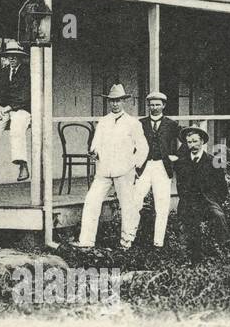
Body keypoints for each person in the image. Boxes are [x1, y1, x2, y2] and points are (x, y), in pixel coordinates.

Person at [76, 84, 149, 248]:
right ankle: (86, 241)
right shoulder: (103, 121)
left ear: (124, 102)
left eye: (118, 101)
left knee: (127, 206)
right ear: (109, 102)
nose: (115, 104)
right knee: (91, 201)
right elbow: (96, 143)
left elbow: (143, 148)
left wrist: (135, 167)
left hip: (124, 171)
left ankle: (126, 242)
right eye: (112, 101)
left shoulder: (133, 123)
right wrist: (94, 152)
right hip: (104, 170)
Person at [128, 91, 183, 248]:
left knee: (162, 205)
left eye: (158, 104)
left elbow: (186, 139)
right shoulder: (140, 123)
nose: (155, 107)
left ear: (163, 106)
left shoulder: (171, 124)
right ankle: (128, 241)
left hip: (162, 167)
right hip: (144, 167)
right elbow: (130, 143)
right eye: (152, 105)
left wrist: (176, 156)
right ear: (148, 106)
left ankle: (158, 244)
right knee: (135, 202)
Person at [174, 126, 228, 260]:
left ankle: (224, 249)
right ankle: (193, 257)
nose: (192, 145)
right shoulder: (182, 162)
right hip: (188, 202)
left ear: (202, 141)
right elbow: (180, 185)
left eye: (195, 141)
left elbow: (222, 187)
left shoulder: (213, 161)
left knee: (218, 215)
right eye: (189, 142)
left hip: (207, 201)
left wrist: (214, 201)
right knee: (188, 225)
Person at [0, 40, 33, 182]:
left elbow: (25, 96)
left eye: (15, 56)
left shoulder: (28, 71)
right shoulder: (3, 72)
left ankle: (22, 164)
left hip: (21, 108)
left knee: (17, 128)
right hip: (5, 109)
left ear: (20, 57)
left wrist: (8, 108)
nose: (12, 58)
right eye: (9, 56)